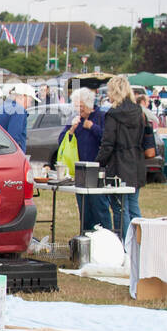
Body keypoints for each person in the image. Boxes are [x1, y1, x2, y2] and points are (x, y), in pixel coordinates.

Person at [97, 74, 147, 238]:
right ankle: (140, 245)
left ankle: (125, 245)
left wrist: (97, 163)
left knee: (120, 208)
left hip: (119, 164)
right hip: (136, 162)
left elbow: (108, 143)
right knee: (133, 206)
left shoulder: (113, 114)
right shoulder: (139, 111)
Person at [55, 87, 106, 232]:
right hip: (79, 170)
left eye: (81, 107)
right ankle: (85, 236)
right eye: (76, 107)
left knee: (99, 208)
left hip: (96, 168)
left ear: (89, 104)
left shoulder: (101, 116)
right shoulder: (75, 119)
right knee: (84, 210)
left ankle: (104, 237)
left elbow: (106, 139)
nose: (79, 110)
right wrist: (71, 129)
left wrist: (93, 127)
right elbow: (62, 141)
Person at [0, 83, 32, 152]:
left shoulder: (0, 108)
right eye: (30, 100)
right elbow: (14, 139)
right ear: (23, 96)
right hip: (9, 155)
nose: (30, 104)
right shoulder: (19, 110)